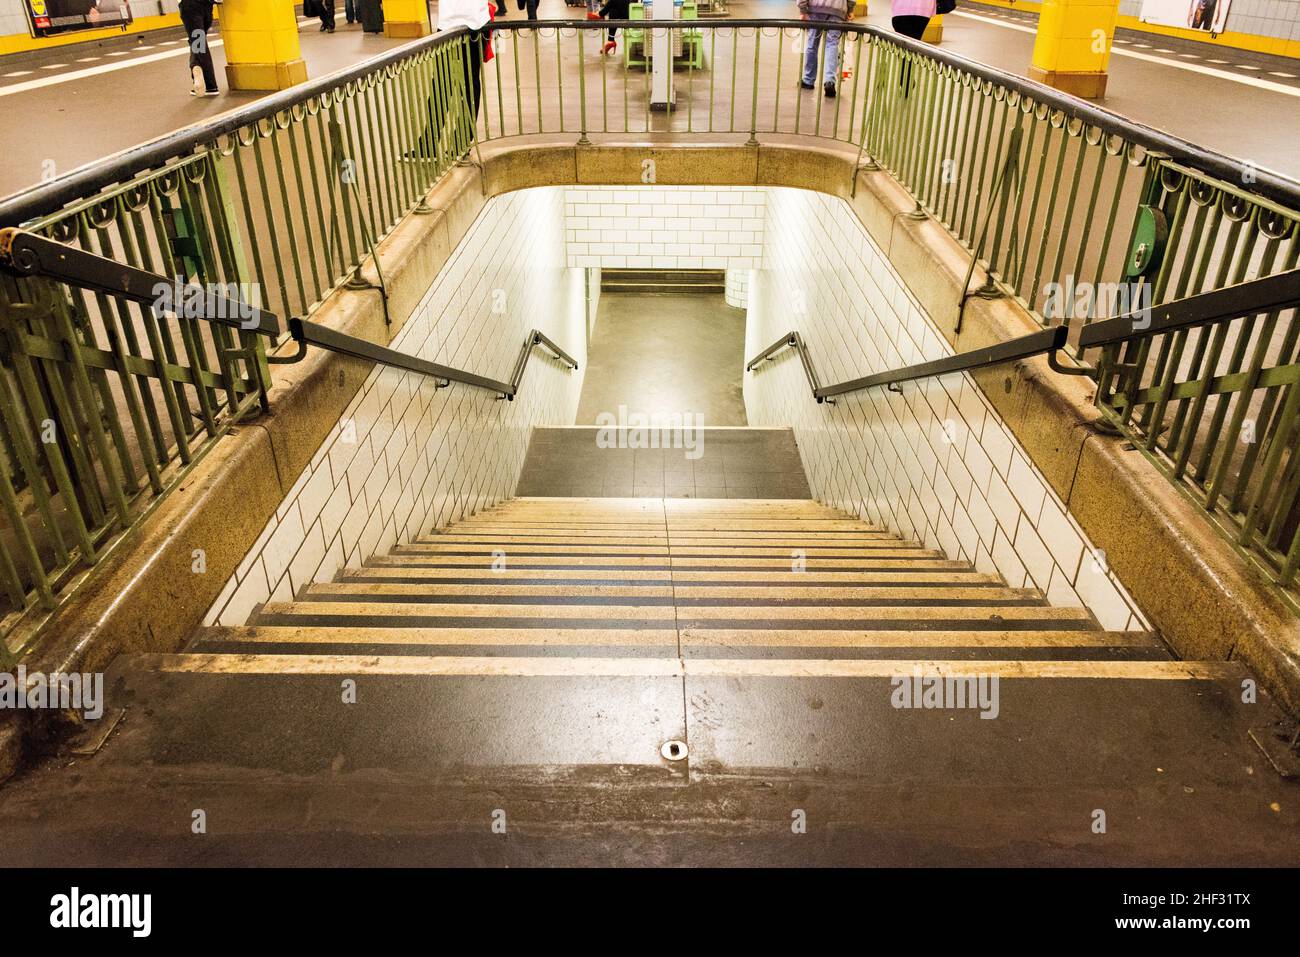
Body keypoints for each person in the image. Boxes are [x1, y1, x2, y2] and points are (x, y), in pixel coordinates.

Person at [410, 0, 493, 160]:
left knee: (449, 86)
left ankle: (452, 143)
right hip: (466, 23)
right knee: (452, 86)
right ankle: (444, 144)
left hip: (466, 24)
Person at [797, 0, 851, 98]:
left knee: (812, 44)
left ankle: (808, 80)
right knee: (832, 44)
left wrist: (803, 10)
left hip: (815, 9)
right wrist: (850, 9)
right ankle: (829, 81)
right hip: (837, 10)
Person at [178, 0, 218, 97]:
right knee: (198, 40)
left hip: (190, 6)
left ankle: (209, 85)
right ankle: (196, 66)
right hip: (207, 6)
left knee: (198, 41)